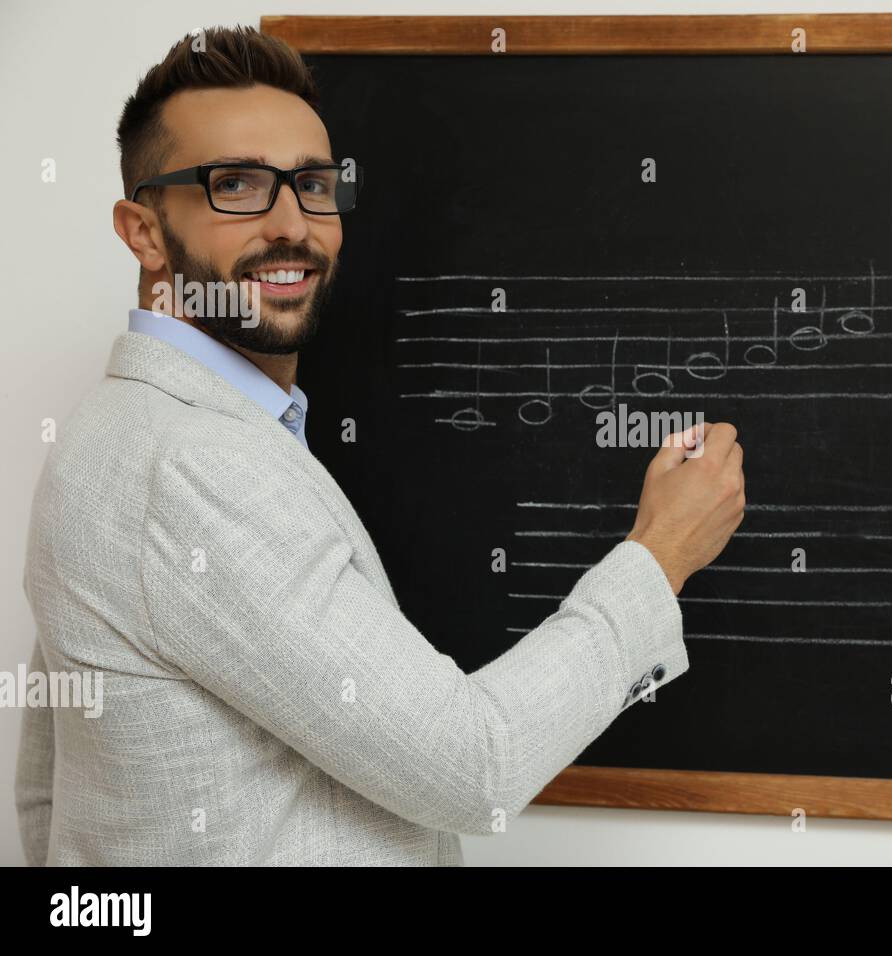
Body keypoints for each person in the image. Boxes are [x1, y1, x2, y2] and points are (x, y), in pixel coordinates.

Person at [15, 25, 744, 866]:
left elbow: (50, 795)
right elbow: (474, 767)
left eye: (312, 185)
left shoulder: (108, 433)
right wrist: (660, 555)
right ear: (143, 231)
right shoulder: (194, 467)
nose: (291, 225)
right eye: (235, 185)